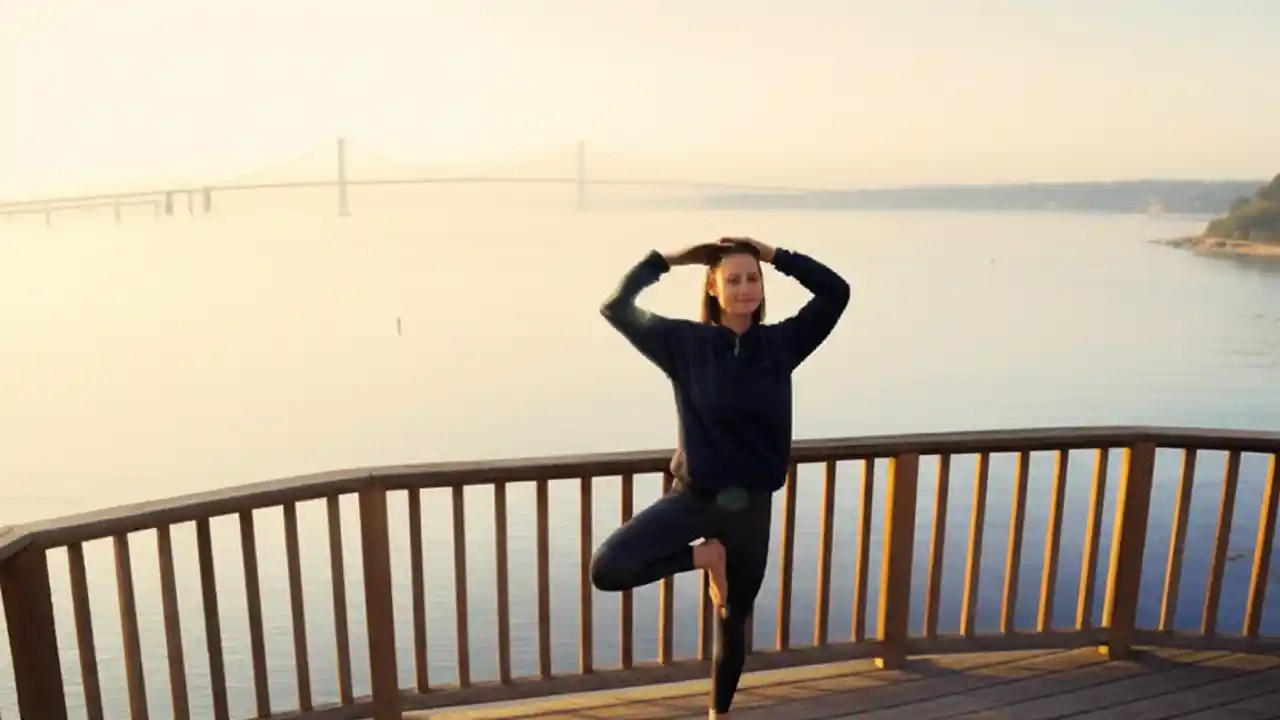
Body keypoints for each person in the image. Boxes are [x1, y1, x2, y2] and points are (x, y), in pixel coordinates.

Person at [590, 236, 850, 718]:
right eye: (732, 279)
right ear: (713, 288)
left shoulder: (781, 344)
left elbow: (836, 292)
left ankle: (718, 714)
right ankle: (705, 557)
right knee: (608, 568)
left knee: (734, 619)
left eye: (753, 278)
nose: (745, 287)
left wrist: (775, 254)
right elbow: (616, 307)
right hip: (693, 498)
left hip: (751, 507)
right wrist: (668, 260)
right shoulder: (684, 344)